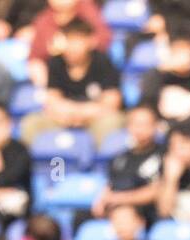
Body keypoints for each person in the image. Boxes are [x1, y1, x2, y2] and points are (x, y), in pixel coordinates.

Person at [19, 17, 124, 147]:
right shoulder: (56, 62)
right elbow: (52, 100)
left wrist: (80, 113)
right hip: (63, 118)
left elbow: (112, 102)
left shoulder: (103, 61)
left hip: (95, 118)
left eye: (77, 40)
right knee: (31, 123)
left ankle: (96, 164)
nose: (72, 46)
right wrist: (68, 113)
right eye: (68, 39)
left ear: (91, 41)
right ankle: (43, 163)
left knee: (111, 122)